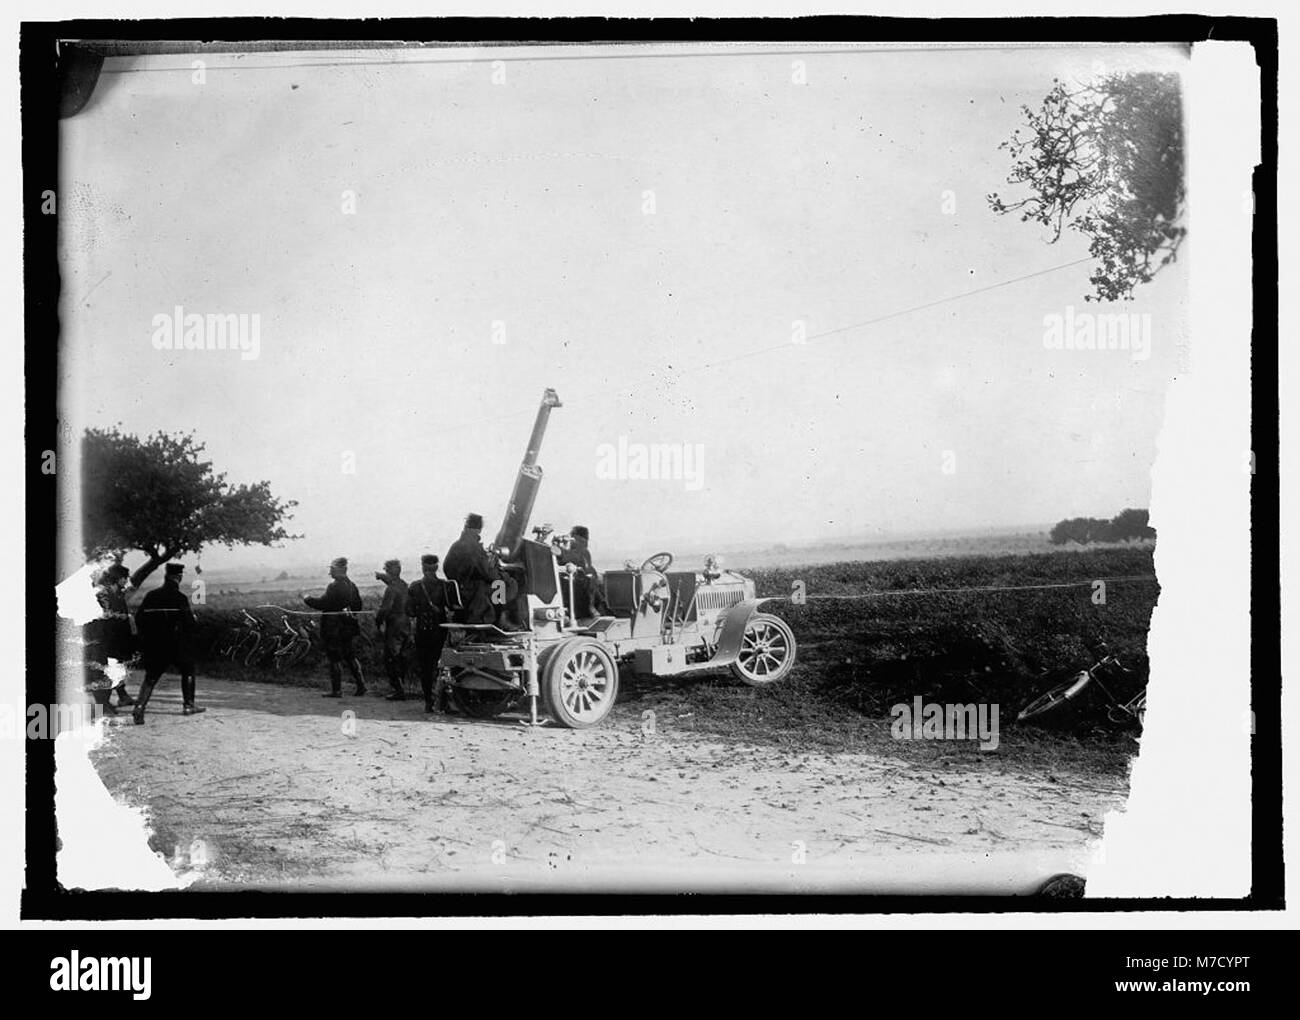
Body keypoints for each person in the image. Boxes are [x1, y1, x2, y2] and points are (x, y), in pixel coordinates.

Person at [132, 563, 200, 724]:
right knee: (188, 670)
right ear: (178, 577)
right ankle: (188, 705)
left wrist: (149, 636)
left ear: (165, 576)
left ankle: (139, 708)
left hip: (156, 645)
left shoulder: (151, 596)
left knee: (151, 677)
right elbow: (190, 624)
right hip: (177, 645)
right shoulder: (180, 598)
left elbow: (139, 619)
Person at [303, 557, 366, 698]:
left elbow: (322, 604)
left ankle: (337, 691)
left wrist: (307, 598)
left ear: (339, 570)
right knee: (350, 656)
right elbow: (358, 606)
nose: (330, 572)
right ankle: (361, 686)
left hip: (334, 628)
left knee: (334, 658)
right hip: (348, 627)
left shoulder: (334, 586)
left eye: (331, 568)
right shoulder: (352, 585)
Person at [84, 564, 136, 714]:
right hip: (104, 641)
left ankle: (111, 701)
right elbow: (106, 620)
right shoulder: (105, 594)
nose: (127, 582)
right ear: (120, 579)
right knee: (104, 672)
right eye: (125, 579)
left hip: (111, 641)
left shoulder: (114, 593)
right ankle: (104, 706)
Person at [406, 554, 451, 713]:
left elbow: (409, 611)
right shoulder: (444, 585)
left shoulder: (415, 587)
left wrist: (420, 610)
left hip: (423, 631)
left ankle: (428, 701)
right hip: (440, 630)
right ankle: (443, 701)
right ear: (436, 567)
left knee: (426, 667)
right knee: (442, 665)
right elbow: (451, 608)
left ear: (423, 567)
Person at [443, 513, 497, 626]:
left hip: (460, 593)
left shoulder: (456, 545)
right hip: (471, 594)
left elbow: (446, 568)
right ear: (479, 530)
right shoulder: (474, 547)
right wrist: (497, 571)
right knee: (505, 584)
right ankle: (503, 619)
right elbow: (488, 574)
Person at [374, 559, 410, 701]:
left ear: (388, 572)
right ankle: (401, 688)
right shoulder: (404, 585)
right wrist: (382, 577)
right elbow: (393, 582)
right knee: (401, 657)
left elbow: (385, 609)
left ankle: (399, 691)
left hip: (394, 625)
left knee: (391, 658)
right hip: (406, 624)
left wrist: (378, 621)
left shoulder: (391, 589)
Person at [558, 525, 609, 617]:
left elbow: (575, 557)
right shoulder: (583, 551)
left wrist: (561, 552)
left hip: (582, 591)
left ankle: (593, 608)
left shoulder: (582, 551)